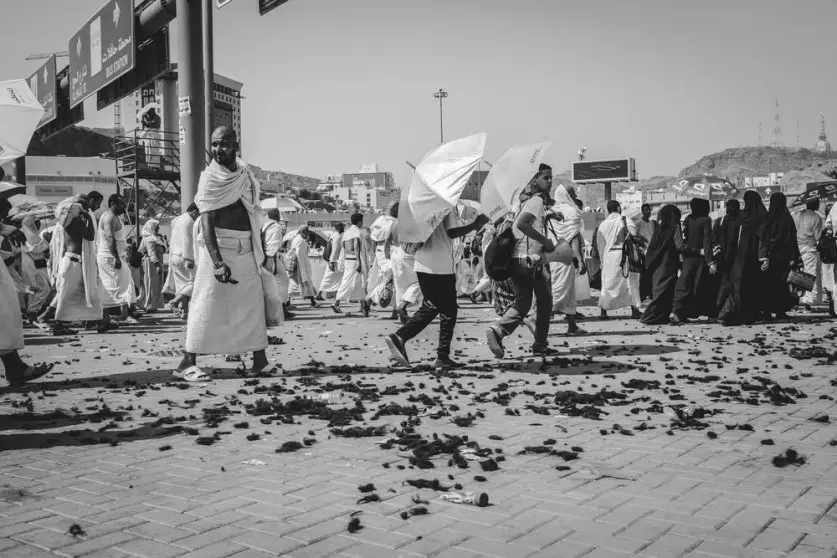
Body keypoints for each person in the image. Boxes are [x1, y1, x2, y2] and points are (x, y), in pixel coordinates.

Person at [177, 126, 269, 381]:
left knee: (251, 305)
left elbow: (253, 213)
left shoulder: (245, 175)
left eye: (224, 144)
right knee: (205, 302)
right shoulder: (209, 178)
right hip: (218, 250)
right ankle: (187, 362)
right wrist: (217, 262)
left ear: (235, 146)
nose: (218, 150)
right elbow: (207, 222)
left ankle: (260, 360)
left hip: (246, 248)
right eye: (215, 145)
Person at [385, 205, 489, 369]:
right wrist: (475, 225)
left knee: (434, 306)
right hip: (439, 265)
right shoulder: (444, 205)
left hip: (422, 262)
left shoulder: (419, 205)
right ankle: (406, 339)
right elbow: (452, 232)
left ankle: (436, 353)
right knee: (445, 310)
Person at [486, 163, 557, 358]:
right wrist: (545, 241)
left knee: (524, 301)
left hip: (516, 260)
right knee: (545, 300)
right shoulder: (535, 201)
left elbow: (525, 221)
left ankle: (497, 330)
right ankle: (540, 344)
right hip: (530, 261)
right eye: (546, 178)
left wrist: (550, 214)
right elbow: (523, 224)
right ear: (535, 180)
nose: (550, 182)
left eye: (551, 177)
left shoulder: (525, 201)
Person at [48, 197, 106, 334]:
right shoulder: (76, 221)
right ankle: (58, 324)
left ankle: (97, 320)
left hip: (72, 262)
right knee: (67, 295)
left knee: (86, 293)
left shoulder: (64, 222)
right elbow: (90, 236)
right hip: (73, 263)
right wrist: (88, 218)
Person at [718, 191, 770, 326]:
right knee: (750, 285)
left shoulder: (742, 216)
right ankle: (745, 315)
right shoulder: (762, 215)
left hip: (741, 255)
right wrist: (763, 256)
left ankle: (731, 314)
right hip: (753, 256)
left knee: (739, 284)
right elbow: (763, 237)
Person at [546, 185, 586, 335]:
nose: (575, 196)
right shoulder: (572, 212)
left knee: (562, 291)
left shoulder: (549, 212)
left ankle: (572, 325)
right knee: (563, 291)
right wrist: (581, 261)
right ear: (567, 195)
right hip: (564, 256)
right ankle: (537, 317)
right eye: (572, 194)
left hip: (549, 256)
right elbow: (574, 239)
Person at [641, 205, 690, 325]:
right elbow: (680, 246)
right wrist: (696, 249)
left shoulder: (659, 229)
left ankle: (667, 316)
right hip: (668, 265)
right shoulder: (675, 227)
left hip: (657, 265)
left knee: (664, 292)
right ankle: (648, 317)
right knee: (664, 293)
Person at [597, 201, 642, 319]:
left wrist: (602, 260)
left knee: (607, 284)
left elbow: (600, 244)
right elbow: (633, 232)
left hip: (608, 257)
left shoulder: (603, 224)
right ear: (618, 208)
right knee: (629, 283)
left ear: (608, 210)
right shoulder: (625, 219)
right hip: (624, 256)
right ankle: (635, 310)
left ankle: (603, 312)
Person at [671, 198, 713, 323]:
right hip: (700, 258)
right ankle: (707, 313)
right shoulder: (706, 220)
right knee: (701, 285)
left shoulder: (689, 218)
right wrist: (710, 260)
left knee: (685, 284)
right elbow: (707, 240)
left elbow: (686, 237)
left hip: (689, 257)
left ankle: (678, 312)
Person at [97, 194, 137, 322]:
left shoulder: (116, 217)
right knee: (111, 286)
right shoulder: (109, 218)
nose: (124, 206)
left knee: (125, 284)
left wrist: (126, 247)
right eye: (121, 204)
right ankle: (106, 317)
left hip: (117, 256)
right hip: (110, 258)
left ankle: (124, 314)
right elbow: (110, 238)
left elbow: (118, 239)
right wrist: (116, 258)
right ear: (113, 203)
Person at [762, 192, 801, 320]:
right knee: (782, 285)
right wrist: (794, 257)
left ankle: (766, 311)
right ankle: (780, 311)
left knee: (768, 285)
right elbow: (791, 240)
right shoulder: (786, 218)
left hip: (768, 256)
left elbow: (763, 237)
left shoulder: (767, 218)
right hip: (783, 257)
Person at [164, 202, 200, 318]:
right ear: (194, 212)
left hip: (175, 255)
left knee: (182, 286)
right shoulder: (189, 221)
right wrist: (189, 258)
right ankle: (174, 302)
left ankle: (185, 312)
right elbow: (187, 240)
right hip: (184, 256)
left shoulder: (178, 219)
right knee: (195, 284)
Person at [389, 203, 421, 323]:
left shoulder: (394, 224)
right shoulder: (411, 223)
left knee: (400, 286)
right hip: (407, 254)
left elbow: (390, 240)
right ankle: (403, 306)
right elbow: (417, 241)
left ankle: (402, 315)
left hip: (395, 253)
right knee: (419, 282)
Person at [333, 213, 370, 315]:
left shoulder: (347, 232)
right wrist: (359, 262)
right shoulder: (357, 232)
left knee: (350, 281)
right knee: (357, 282)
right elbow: (356, 247)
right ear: (359, 222)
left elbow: (344, 248)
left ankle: (363, 305)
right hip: (355, 260)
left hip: (348, 260)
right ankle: (337, 302)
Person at [262, 208, 294, 320]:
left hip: (266, 257)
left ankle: (280, 308)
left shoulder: (265, 225)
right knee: (282, 281)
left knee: (274, 283)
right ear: (278, 216)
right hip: (271, 257)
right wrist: (270, 259)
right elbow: (273, 244)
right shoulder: (276, 227)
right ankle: (280, 309)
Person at [711, 199, 741, 316]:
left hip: (722, 259)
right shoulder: (740, 222)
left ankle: (718, 309)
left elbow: (713, 240)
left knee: (723, 285)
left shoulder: (720, 221)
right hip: (736, 259)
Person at [366, 205, 398, 314]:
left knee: (394, 280)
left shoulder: (379, 221)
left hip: (380, 252)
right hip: (389, 252)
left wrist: (376, 254)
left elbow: (373, 239)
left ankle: (396, 310)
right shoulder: (394, 223)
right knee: (390, 279)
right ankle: (369, 300)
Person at [19, 216, 52, 317]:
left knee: (38, 290)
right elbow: (37, 250)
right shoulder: (29, 235)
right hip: (32, 267)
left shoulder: (33, 235)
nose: (38, 225)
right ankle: (32, 311)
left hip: (37, 265)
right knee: (42, 289)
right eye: (36, 223)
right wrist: (47, 241)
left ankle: (33, 311)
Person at [796, 199, 823, 309]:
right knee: (810, 275)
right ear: (815, 205)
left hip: (797, 248)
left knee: (798, 275)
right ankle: (807, 304)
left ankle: (797, 300)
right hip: (809, 249)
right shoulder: (816, 217)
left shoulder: (796, 214)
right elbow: (818, 237)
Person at [137, 219, 166, 312]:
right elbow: (151, 253)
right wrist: (157, 265)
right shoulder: (149, 239)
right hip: (151, 264)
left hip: (154, 263)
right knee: (151, 284)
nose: (158, 228)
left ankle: (152, 304)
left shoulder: (154, 238)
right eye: (157, 227)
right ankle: (148, 305)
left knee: (155, 285)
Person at [287, 225, 317, 307]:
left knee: (296, 285)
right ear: (303, 232)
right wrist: (302, 270)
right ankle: (312, 301)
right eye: (307, 231)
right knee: (303, 284)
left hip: (299, 266)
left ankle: (312, 301)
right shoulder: (300, 241)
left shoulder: (298, 239)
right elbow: (299, 255)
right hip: (300, 266)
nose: (308, 233)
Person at [316, 223, 343, 301]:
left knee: (329, 278)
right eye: (342, 227)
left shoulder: (333, 235)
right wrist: (332, 262)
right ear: (339, 228)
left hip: (332, 260)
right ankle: (333, 296)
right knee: (333, 278)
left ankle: (321, 294)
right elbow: (334, 250)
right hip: (334, 261)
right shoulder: (337, 236)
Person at [637, 203, 657, 301]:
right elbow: (634, 236)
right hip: (642, 252)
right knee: (644, 274)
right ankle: (643, 293)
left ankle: (650, 292)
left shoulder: (652, 223)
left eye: (648, 210)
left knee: (651, 273)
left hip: (651, 252)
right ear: (642, 211)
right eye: (645, 210)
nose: (647, 212)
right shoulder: (638, 223)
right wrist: (642, 242)